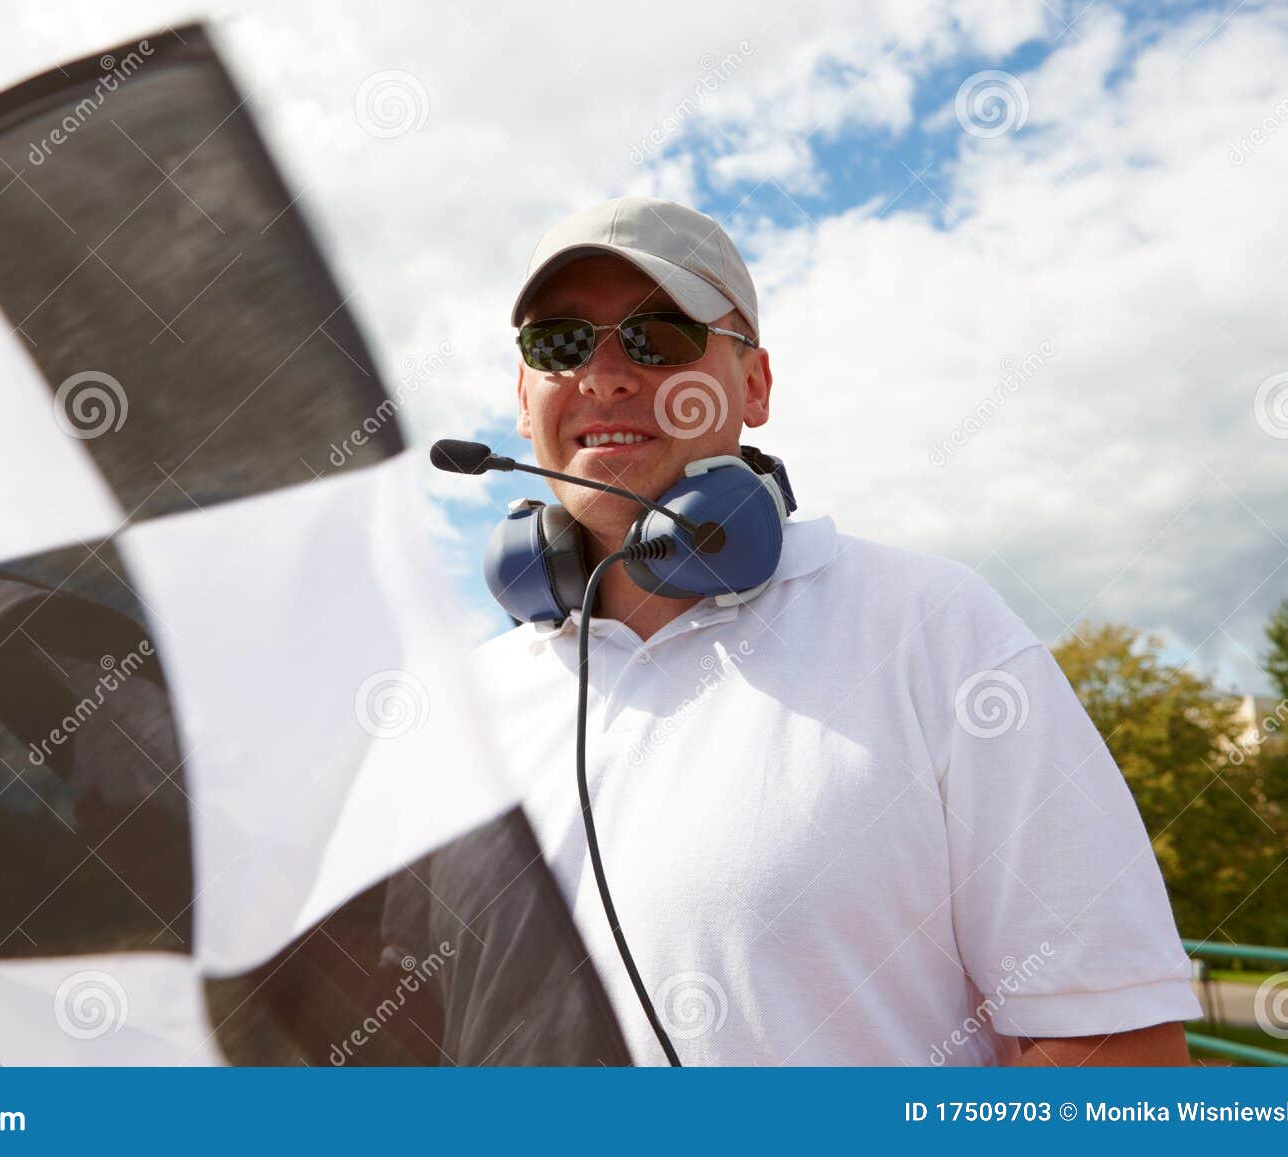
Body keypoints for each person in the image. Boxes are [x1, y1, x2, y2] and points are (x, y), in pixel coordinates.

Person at [470, 195, 1202, 1066]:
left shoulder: (937, 630)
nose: (603, 376)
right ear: (523, 397)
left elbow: (1116, 1057)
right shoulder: (468, 707)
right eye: (559, 343)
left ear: (755, 384)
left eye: (656, 335)